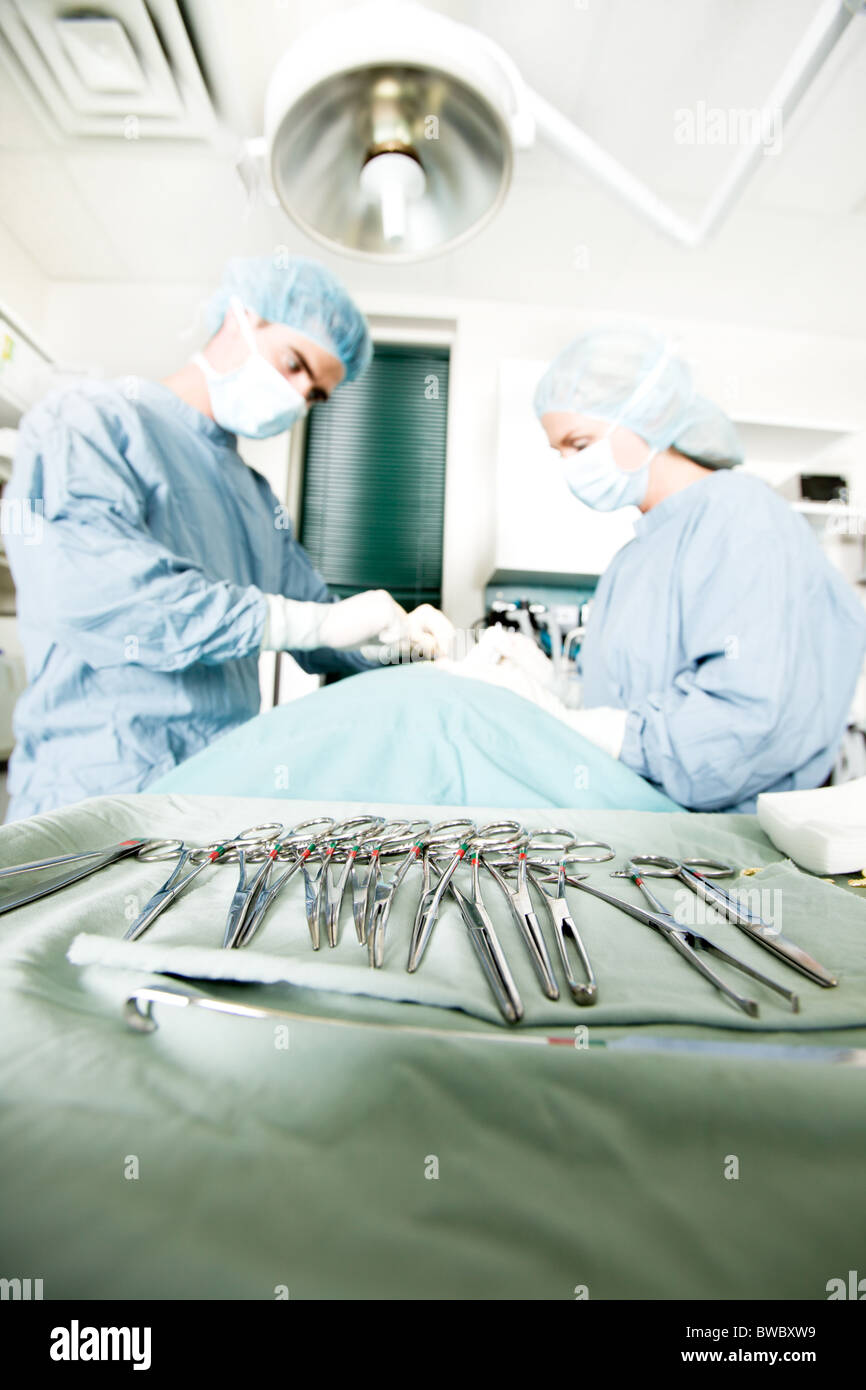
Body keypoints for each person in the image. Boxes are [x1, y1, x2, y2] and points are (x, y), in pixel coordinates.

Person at [3, 255, 452, 821]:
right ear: (242, 317)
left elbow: (319, 623)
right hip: (91, 800)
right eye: (294, 364)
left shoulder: (252, 497)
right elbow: (105, 594)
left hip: (215, 802)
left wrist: (401, 642)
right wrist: (310, 623)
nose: (297, 394)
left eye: (314, 393)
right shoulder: (88, 422)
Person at [533, 326, 866, 812]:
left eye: (579, 444)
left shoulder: (742, 517)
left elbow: (747, 720)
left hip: (724, 845)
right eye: (558, 451)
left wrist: (610, 736)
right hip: (640, 822)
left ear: (648, 417)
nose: (568, 466)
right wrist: (540, 686)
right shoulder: (635, 555)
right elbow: (624, 693)